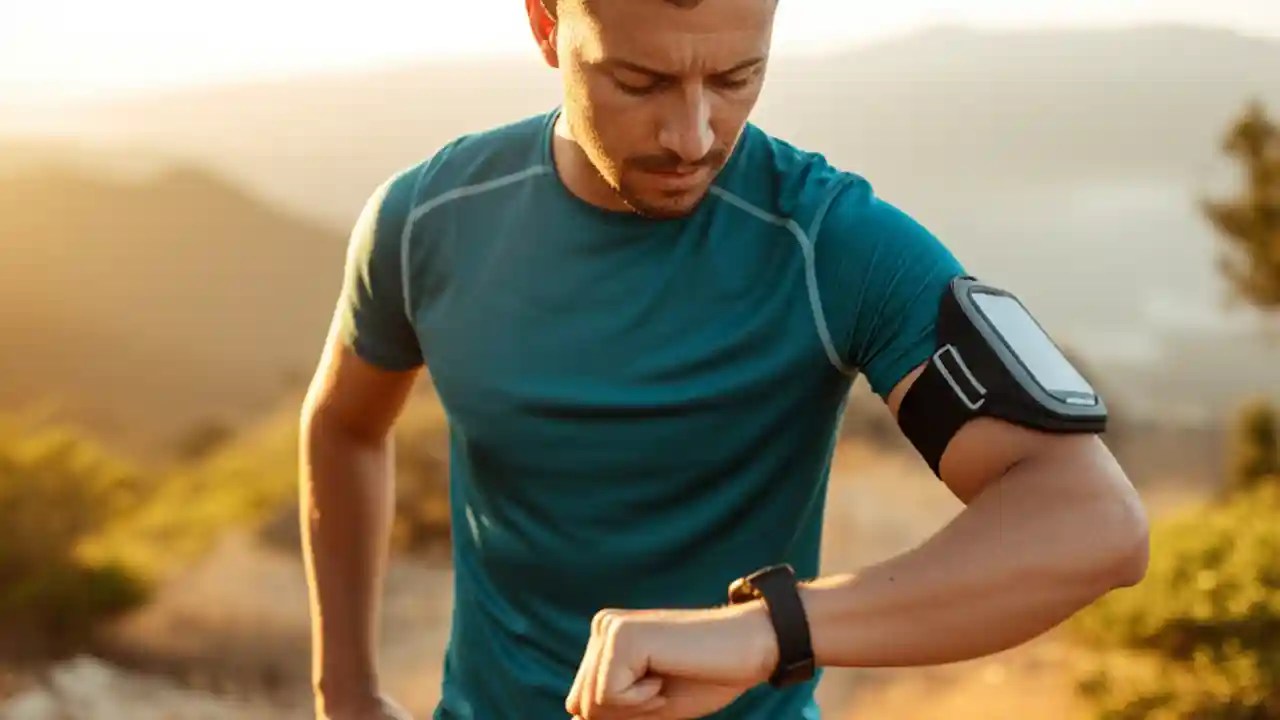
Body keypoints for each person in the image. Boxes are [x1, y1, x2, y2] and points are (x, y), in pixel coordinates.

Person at [298, 1, 1151, 718]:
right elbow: (342, 426)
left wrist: (766, 629)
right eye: (640, 82)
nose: (693, 136)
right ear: (547, 24)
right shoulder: (425, 220)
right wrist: (346, 692)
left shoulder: (831, 243)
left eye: (737, 79)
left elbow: (1096, 525)